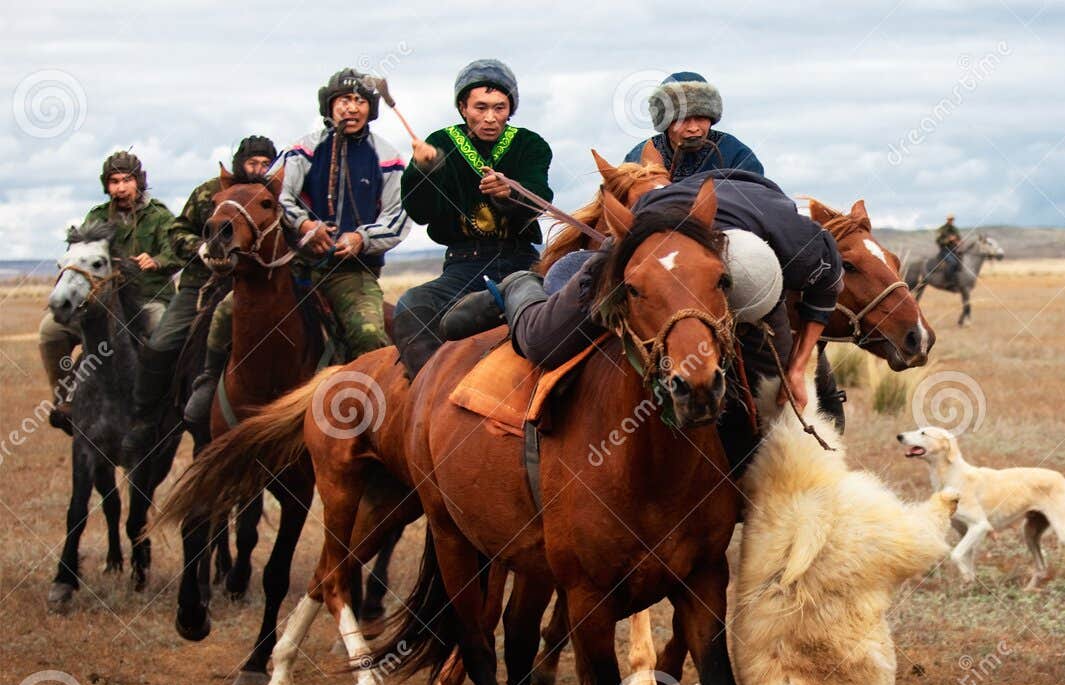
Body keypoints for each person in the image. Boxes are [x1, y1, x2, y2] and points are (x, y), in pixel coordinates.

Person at [501, 169, 840, 473]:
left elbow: (829, 282)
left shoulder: (798, 243)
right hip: (641, 237)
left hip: (735, 250)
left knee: (773, 394)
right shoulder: (641, 232)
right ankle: (518, 284)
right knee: (543, 340)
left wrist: (796, 369)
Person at [393, 59, 553, 376]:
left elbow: (540, 197)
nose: (490, 118)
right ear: (463, 107)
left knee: (562, 318)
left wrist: (511, 193)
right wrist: (421, 170)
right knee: (411, 306)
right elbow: (420, 213)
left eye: (500, 107)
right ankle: (432, 391)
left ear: (511, 109)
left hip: (521, 262)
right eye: (480, 107)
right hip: (462, 266)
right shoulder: (439, 144)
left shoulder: (530, 145)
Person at [124, 136, 276, 459]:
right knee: (160, 345)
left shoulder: (274, 196)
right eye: (253, 163)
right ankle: (144, 421)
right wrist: (201, 248)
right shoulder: (209, 193)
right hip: (202, 286)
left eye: (265, 164)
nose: (258, 170)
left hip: (259, 288)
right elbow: (176, 231)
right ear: (239, 164)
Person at [39, 151, 177, 432]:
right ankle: (66, 400)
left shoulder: (160, 216)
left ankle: (162, 404)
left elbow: (177, 251)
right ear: (107, 185)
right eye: (114, 182)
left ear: (139, 182)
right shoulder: (98, 216)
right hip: (102, 301)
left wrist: (158, 261)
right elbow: (79, 255)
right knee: (51, 330)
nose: (121, 188)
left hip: (147, 298)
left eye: (127, 180)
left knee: (160, 332)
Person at [279, 69, 410, 354]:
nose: (351, 107)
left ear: (370, 109)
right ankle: (203, 388)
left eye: (359, 101)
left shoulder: (388, 158)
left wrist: (361, 239)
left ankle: (372, 395)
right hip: (292, 268)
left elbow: (398, 217)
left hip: (352, 273)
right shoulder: (302, 149)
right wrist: (303, 226)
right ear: (330, 106)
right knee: (227, 314)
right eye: (344, 100)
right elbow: (277, 195)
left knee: (369, 335)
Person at [624, 71, 763, 182]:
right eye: (682, 119)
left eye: (701, 118)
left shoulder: (736, 155)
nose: (693, 128)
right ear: (665, 123)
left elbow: (756, 202)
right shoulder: (637, 159)